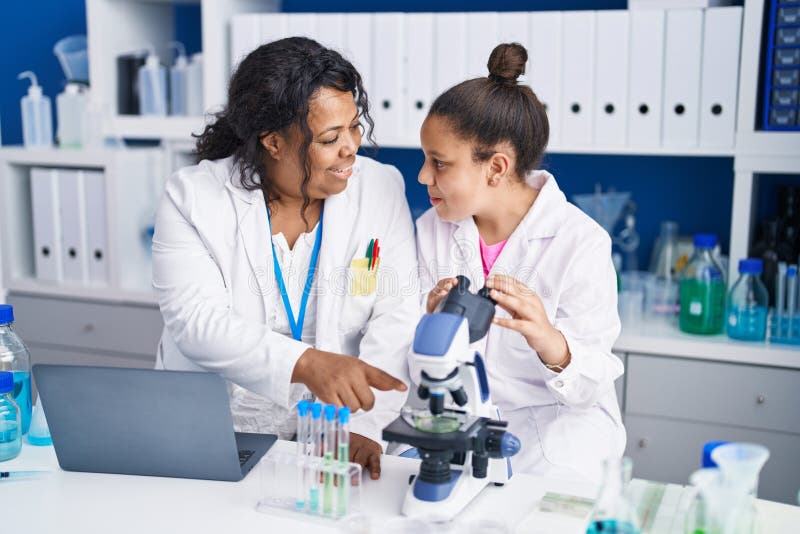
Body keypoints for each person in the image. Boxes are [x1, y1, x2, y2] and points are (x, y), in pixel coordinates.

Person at [152, 37, 420, 479]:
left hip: (335, 433)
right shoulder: (193, 198)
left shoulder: (379, 188)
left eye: (355, 127)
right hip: (217, 432)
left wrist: (366, 423)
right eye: (330, 138)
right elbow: (195, 322)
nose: (351, 147)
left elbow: (397, 314)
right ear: (273, 142)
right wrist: (307, 363)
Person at [414, 42, 625, 483]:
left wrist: (550, 341)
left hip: (554, 444)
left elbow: (590, 386)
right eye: (425, 159)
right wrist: (425, 323)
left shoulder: (581, 242)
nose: (423, 177)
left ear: (496, 167)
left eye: (439, 163)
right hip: (457, 427)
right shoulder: (430, 228)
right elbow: (409, 352)